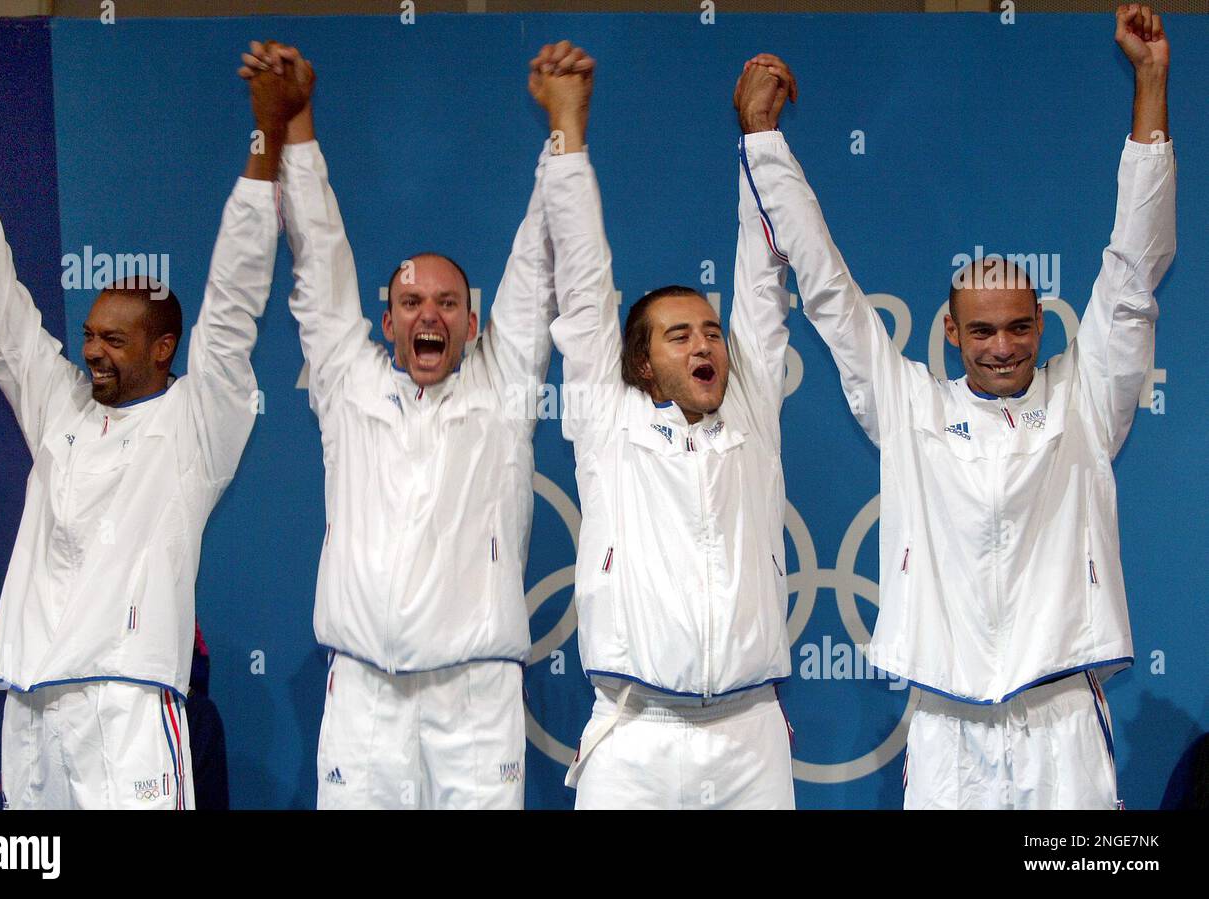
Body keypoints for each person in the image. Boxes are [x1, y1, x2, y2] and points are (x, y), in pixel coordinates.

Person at [752, 3, 1174, 809]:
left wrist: (1151, 86)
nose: (1004, 346)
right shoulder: (908, 406)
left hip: (1061, 718)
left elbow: (1132, 269)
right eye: (982, 330)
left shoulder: (1084, 402)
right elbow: (829, 288)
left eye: (1020, 327)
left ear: (1043, 324)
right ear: (950, 331)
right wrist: (767, 148)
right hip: (946, 724)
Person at [0, 30, 303, 808]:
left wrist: (266, 140)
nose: (92, 350)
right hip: (29, 706)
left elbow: (234, 295)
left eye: (114, 338)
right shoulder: (58, 404)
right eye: (89, 334)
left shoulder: (197, 422)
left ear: (165, 347)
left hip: (129, 708)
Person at [238, 40, 561, 809]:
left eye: (447, 303)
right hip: (363, 696)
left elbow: (539, 260)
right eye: (412, 302)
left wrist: (561, 133)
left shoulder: (505, 388)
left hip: (477, 698)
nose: (428, 314)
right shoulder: (348, 388)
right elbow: (318, 260)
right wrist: (299, 124)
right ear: (386, 322)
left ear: (473, 323)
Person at [545, 46, 797, 809]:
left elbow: (761, 275)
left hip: (751, 735)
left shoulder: (750, 411)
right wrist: (567, 130)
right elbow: (584, 283)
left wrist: (758, 134)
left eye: (711, 332)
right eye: (679, 335)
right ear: (642, 364)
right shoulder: (609, 421)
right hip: (634, 735)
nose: (705, 344)